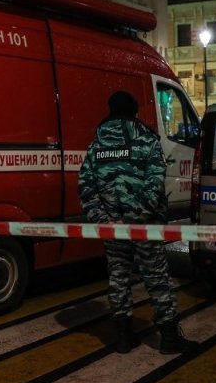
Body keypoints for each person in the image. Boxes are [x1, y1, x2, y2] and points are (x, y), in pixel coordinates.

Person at [78, 91, 199, 355]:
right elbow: (155, 184)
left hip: (112, 227)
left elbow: (86, 187)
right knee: (157, 278)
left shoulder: (96, 145)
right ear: (134, 112)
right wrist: (135, 218)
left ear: (110, 110)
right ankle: (168, 337)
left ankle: (123, 337)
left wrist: (106, 221)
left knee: (118, 277)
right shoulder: (146, 140)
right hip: (144, 225)